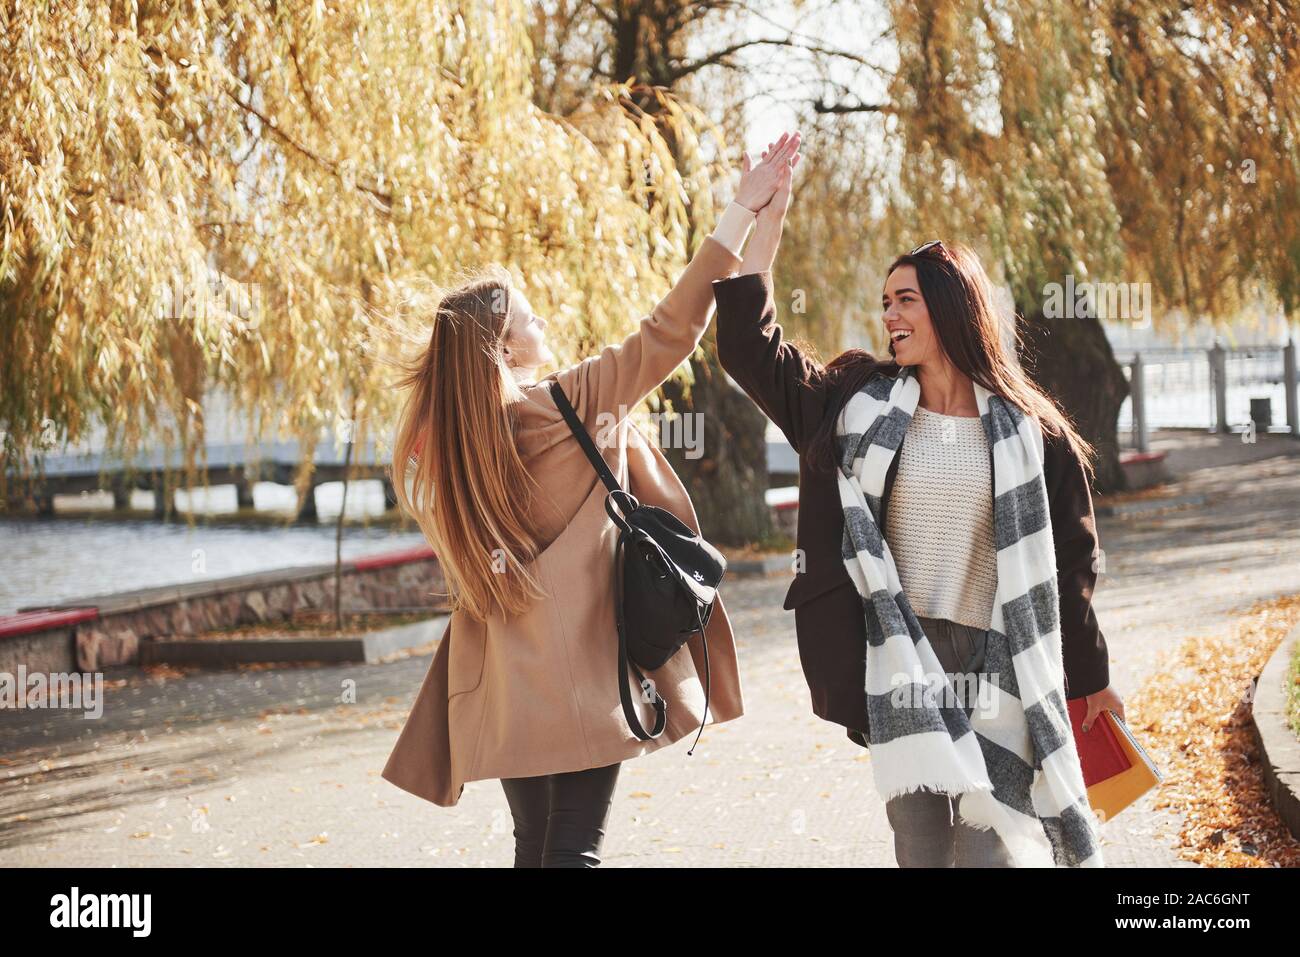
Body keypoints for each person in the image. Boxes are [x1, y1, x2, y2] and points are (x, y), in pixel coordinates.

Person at [380, 132, 804, 867]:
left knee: (535, 845)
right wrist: (742, 210)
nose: (544, 324)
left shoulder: (450, 454)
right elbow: (673, 328)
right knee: (574, 850)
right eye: (529, 320)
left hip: (505, 687)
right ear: (504, 350)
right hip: (579, 670)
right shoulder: (569, 404)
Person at [712, 181, 1123, 867]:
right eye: (884, 303)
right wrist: (768, 216)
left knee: (990, 848)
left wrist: (1092, 676)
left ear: (954, 307)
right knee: (924, 849)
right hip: (902, 654)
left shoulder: (1032, 433)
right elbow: (750, 349)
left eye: (906, 299)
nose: (890, 315)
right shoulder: (855, 406)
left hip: (1000, 658)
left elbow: (1072, 564)